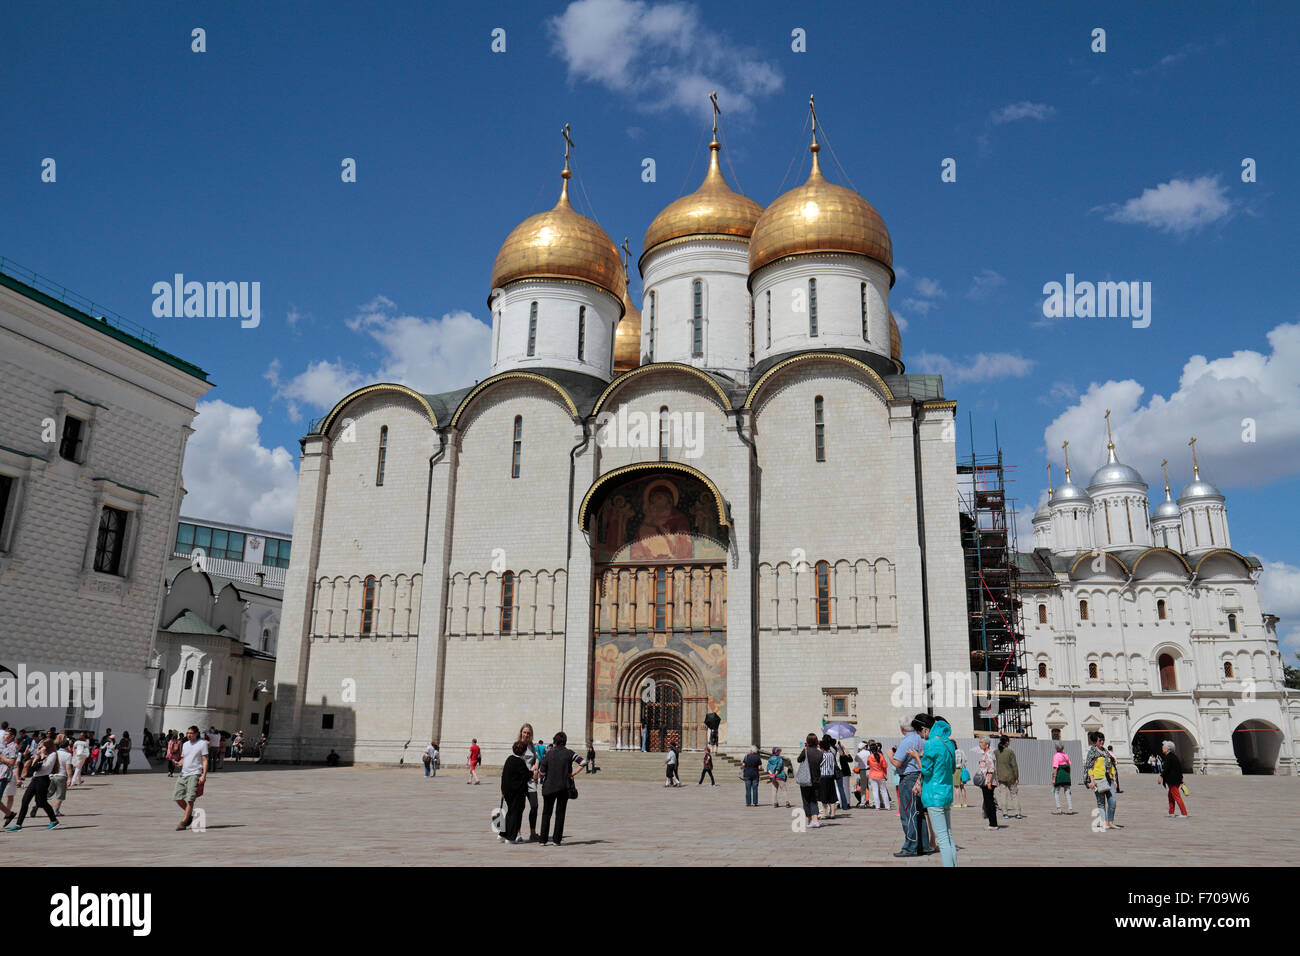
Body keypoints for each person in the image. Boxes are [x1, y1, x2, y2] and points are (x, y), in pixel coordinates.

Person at [918, 716, 957, 867]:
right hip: (946, 792)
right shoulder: (948, 743)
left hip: (934, 794)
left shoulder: (931, 744)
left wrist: (917, 758)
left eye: (920, 732)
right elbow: (952, 768)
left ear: (925, 729)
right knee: (948, 836)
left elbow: (926, 770)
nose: (921, 736)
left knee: (941, 839)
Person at [891, 714, 931, 857]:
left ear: (902, 728)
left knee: (908, 813)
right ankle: (924, 845)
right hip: (919, 777)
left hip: (908, 778)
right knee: (919, 813)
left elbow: (897, 763)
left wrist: (890, 755)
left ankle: (910, 847)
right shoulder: (922, 738)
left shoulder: (907, 740)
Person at [538, 731, 579, 845]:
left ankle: (543, 840)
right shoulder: (569, 753)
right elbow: (583, 762)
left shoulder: (549, 754)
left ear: (554, 741)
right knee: (560, 814)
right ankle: (557, 840)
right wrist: (573, 773)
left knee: (546, 813)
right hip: (563, 788)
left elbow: (542, 770)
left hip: (549, 787)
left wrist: (544, 776)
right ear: (565, 741)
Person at [173, 726, 208, 830]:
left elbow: (205, 760)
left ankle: (184, 822)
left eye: (191, 733)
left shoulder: (202, 744)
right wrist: (178, 763)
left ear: (197, 734)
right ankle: (189, 814)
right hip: (183, 774)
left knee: (190, 799)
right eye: (187, 733)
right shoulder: (185, 744)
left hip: (195, 773)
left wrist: (204, 775)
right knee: (177, 797)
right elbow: (184, 758)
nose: (189, 735)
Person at [499, 740, 532, 844]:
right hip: (516, 793)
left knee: (510, 812)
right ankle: (510, 837)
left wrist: (503, 790)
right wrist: (533, 771)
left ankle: (503, 834)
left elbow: (504, 776)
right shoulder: (520, 762)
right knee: (514, 814)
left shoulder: (509, 759)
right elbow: (526, 775)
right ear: (523, 752)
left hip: (508, 792)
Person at [1084, 731, 1118, 830]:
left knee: (1112, 801)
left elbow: (1111, 765)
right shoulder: (1092, 752)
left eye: (1103, 740)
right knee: (1101, 802)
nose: (1102, 742)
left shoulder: (1106, 751)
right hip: (1098, 779)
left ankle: (1110, 821)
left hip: (1108, 779)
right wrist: (1092, 781)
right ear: (1095, 741)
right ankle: (1104, 822)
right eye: (1100, 740)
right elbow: (1089, 767)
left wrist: (1114, 779)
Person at [794, 733, 823, 828]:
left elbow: (799, 760)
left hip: (806, 779)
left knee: (806, 800)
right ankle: (815, 820)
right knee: (814, 800)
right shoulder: (820, 753)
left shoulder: (806, 751)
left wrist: (803, 749)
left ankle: (810, 820)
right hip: (816, 779)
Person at [518, 724, 541, 840]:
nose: (526, 735)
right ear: (521, 733)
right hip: (520, 781)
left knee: (535, 806)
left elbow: (536, 758)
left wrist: (536, 766)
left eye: (528, 733)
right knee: (519, 807)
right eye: (524, 732)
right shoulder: (518, 745)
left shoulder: (532, 746)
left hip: (531, 781)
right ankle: (518, 833)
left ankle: (533, 833)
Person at [1158, 741, 1188, 818]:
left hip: (1173, 780)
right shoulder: (1173, 756)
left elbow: (1167, 769)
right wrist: (1181, 778)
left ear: (1168, 749)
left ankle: (1184, 813)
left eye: (1164, 746)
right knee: (1170, 796)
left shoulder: (1169, 757)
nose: (1162, 747)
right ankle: (1171, 812)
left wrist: (1161, 776)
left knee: (1176, 796)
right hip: (1174, 779)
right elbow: (1178, 769)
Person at [995, 735, 1022, 819]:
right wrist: (1017, 776)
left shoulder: (996, 752)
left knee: (1003, 795)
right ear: (1006, 742)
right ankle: (1017, 812)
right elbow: (1014, 765)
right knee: (1014, 794)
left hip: (1001, 776)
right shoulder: (1010, 752)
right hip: (1010, 776)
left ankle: (1005, 813)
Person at [976, 737, 998, 829]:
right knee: (987, 802)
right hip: (985, 781)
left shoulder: (989, 754)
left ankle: (993, 824)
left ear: (987, 744)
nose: (980, 744)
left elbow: (991, 769)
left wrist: (988, 782)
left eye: (981, 742)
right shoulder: (984, 754)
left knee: (989, 802)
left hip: (988, 781)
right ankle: (991, 822)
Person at [0, 727, 18, 827]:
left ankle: (9, 814)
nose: (4, 736)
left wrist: (1, 756)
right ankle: (9, 814)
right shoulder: (5, 745)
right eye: (4, 734)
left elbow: (12, 762)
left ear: (12, 736)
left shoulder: (13, 746)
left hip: (4, 775)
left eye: (6, 734)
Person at [817, 735, 839, 819]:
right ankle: (833, 813)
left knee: (824, 796)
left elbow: (819, 764)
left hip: (823, 777)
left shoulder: (823, 755)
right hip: (831, 776)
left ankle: (825, 813)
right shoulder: (831, 754)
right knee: (832, 795)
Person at [866, 741, 891, 810]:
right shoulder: (881, 756)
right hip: (881, 775)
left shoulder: (870, 757)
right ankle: (887, 806)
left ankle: (877, 806)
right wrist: (885, 774)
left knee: (875, 791)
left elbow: (868, 763)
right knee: (884, 791)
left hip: (872, 775)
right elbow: (885, 766)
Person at [1051, 743, 1074, 814]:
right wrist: (1069, 775)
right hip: (1066, 775)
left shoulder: (1056, 756)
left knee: (1056, 792)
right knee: (1067, 792)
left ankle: (1059, 809)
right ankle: (1070, 809)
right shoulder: (1065, 755)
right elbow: (1069, 765)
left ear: (1056, 748)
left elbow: (1055, 767)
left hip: (1059, 775)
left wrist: (1054, 778)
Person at [835, 741, 854, 810]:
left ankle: (839, 803)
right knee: (846, 788)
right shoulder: (843, 755)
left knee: (838, 788)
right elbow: (850, 760)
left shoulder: (835, 755)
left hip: (838, 772)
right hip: (845, 772)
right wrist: (847, 752)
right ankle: (847, 803)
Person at [952, 742, 968, 808]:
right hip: (961, 769)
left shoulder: (952, 752)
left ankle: (958, 803)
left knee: (956, 787)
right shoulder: (961, 751)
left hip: (955, 770)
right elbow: (965, 759)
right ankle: (964, 803)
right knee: (962, 787)